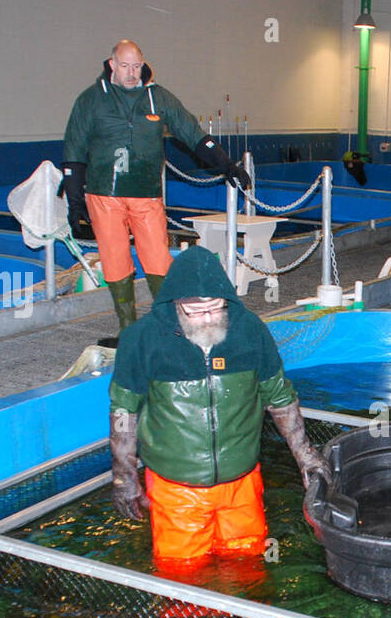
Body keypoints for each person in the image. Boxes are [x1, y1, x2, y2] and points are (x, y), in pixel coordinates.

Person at [108, 246, 329, 577]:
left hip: (241, 482)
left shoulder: (250, 330)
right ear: (174, 303)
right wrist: (124, 476)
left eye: (216, 308)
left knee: (249, 566)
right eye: (195, 312)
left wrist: (306, 456)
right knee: (181, 574)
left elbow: (280, 396)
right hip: (176, 488)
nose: (208, 318)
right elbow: (124, 410)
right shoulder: (143, 339)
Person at [62, 40, 252, 347]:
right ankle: (127, 329)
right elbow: (74, 148)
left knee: (158, 260)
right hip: (104, 195)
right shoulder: (91, 100)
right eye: (124, 66)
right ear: (112, 64)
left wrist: (227, 165)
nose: (131, 73)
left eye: (136, 66)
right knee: (115, 260)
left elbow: (192, 133)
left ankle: (168, 327)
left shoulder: (158, 97)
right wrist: (74, 201)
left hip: (146, 195)